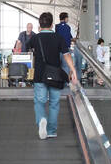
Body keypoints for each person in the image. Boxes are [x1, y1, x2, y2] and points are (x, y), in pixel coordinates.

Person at [31, 11, 78, 139]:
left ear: (40, 25)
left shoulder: (35, 38)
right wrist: (73, 70)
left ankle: (41, 119)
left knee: (39, 102)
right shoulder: (59, 38)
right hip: (56, 76)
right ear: (52, 24)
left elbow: (26, 50)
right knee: (54, 103)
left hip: (40, 75)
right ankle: (51, 130)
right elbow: (66, 55)